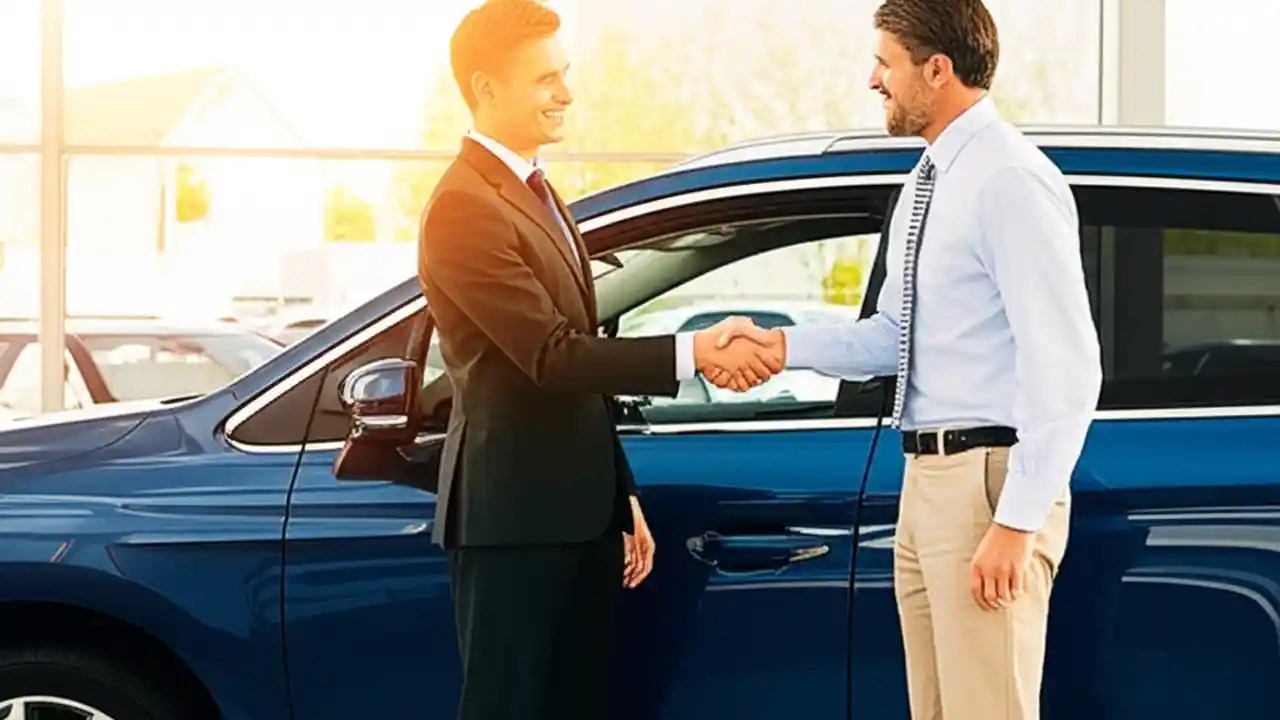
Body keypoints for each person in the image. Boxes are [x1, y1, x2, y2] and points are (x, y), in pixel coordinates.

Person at [710, 1, 1102, 718]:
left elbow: (1068, 365)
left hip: (988, 484)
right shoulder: (933, 178)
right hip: (927, 481)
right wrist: (782, 345)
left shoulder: (1008, 178)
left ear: (937, 69)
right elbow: (894, 334)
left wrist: (1015, 523)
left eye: (885, 62)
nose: (872, 80)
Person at [416, 1, 780, 718]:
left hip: (576, 515)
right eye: (545, 78)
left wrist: (620, 495)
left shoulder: (538, 192)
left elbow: (583, 362)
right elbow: (551, 359)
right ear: (486, 89)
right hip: (514, 523)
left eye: (566, 74)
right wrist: (695, 352)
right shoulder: (464, 208)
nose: (566, 93)